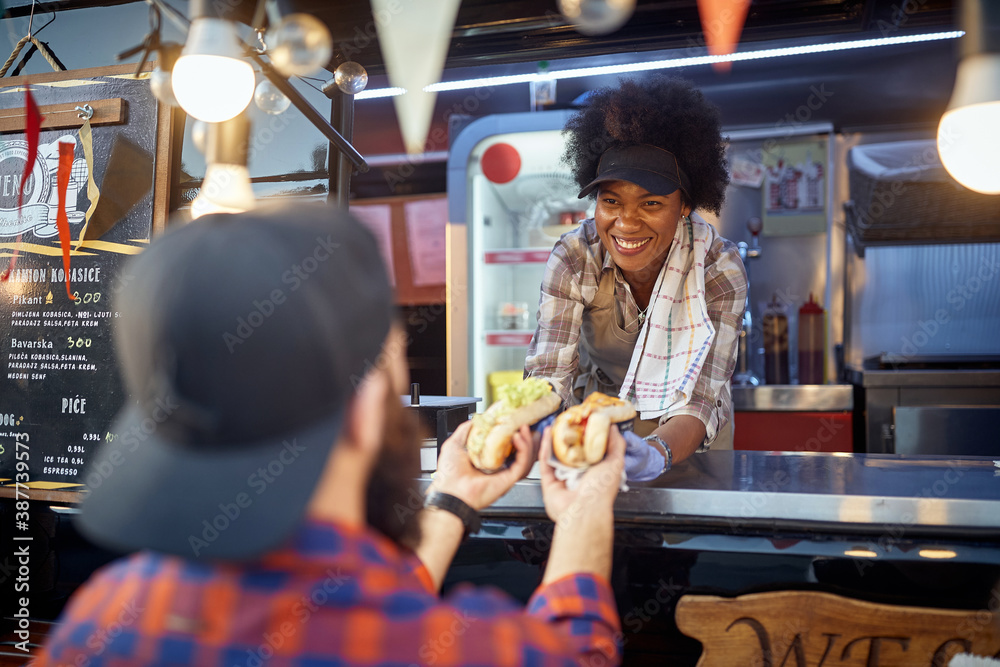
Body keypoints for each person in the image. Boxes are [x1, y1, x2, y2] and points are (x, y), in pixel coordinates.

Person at [32, 202, 625, 666]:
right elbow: (580, 653)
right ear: (366, 409)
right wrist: (585, 507)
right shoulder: (469, 648)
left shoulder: (105, 619)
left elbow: (345, 609)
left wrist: (451, 499)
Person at [525, 77, 748, 478]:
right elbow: (549, 376)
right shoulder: (576, 257)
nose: (626, 224)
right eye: (611, 201)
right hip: (599, 429)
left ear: (686, 205)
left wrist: (656, 453)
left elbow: (700, 400)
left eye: (651, 203)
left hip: (690, 441)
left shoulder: (718, 268)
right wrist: (524, 428)